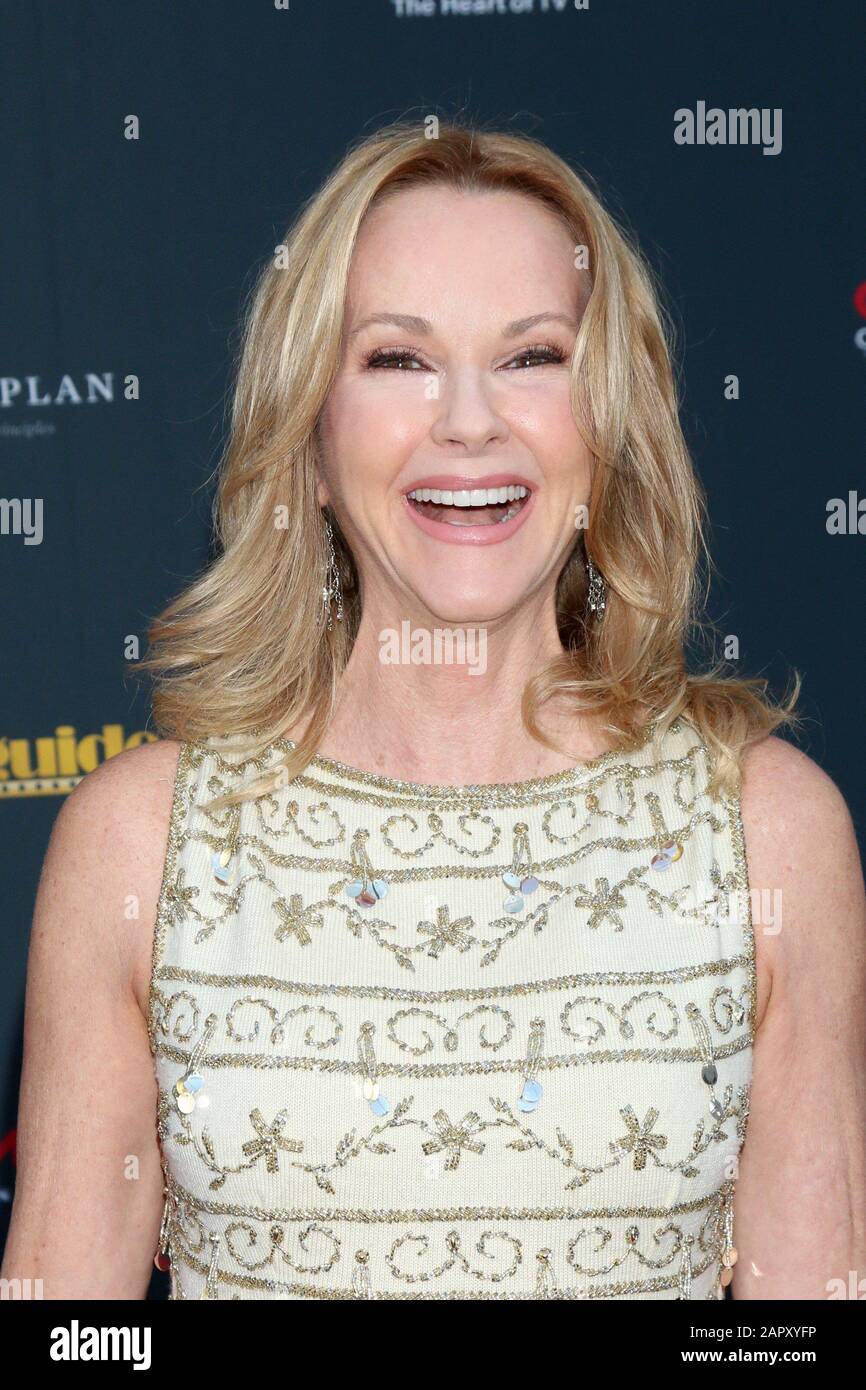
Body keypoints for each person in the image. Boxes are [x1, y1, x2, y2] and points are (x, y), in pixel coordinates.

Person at [3, 121, 864, 1300]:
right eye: (397, 359)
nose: (469, 421)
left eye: (532, 357)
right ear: (308, 438)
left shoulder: (764, 828)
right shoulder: (142, 844)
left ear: (608, 426)